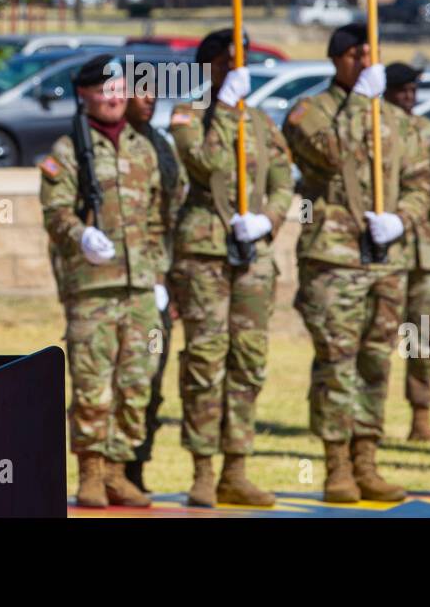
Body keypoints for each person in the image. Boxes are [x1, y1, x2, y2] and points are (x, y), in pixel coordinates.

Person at [285, 27, 430, 503]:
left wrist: (401, 220)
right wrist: (358, 106)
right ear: (336, 60)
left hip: (386, 257)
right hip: (333, 255)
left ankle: (367, 458)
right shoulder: (311, 112)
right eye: (355, 55)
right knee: (336, 360)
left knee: (376, 361)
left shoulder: (398, 121)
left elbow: (419, 182)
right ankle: (336, 465)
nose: (365, 64)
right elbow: (328, 153)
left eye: (372, 56)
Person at [167, 28, 293, 507]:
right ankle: (202, 468)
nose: (237, 72)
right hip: (204, 255)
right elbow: (209, 164)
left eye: (241, 64)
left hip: (253, 256)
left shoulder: (261, 123)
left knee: (249, 361)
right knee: (205, 361)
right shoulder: (188, 116)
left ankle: (235, 467)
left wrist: (268, 218)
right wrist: (222, 110)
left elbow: (283, 179)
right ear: (210, 68)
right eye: (226, 64)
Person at [39, 54, 166, 508]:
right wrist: (82, 234)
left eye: (118, 90)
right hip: (92, 287)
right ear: (86, 96)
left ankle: (117, 471)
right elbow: (55, 214)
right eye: (104, 91)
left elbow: (155, 218)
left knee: (137, 382)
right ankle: (91, 472)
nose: (113, 98)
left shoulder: (143, 148)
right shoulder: (68, 151)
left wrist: (157, 274)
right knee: (93, 383)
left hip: (139, 286)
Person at [383, 62, 430, 448]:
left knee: (423, 338)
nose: (408, 98)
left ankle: (421, 415)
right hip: (385, 251)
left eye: (413, 91)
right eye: (400, 91)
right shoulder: (377, 131)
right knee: (372, 337)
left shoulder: (429, 133)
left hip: (425, 251)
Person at [123, 83, 188, 492]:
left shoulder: (161, 146)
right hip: (118, 283)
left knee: (151, 381)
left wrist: (173, 284)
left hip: (159, 282)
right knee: (119, 382)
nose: (149, 100)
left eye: (152, 94)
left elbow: (175, 215)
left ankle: (136, 468)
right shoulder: (99, 147)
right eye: (138, 93)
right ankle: (109, 468)